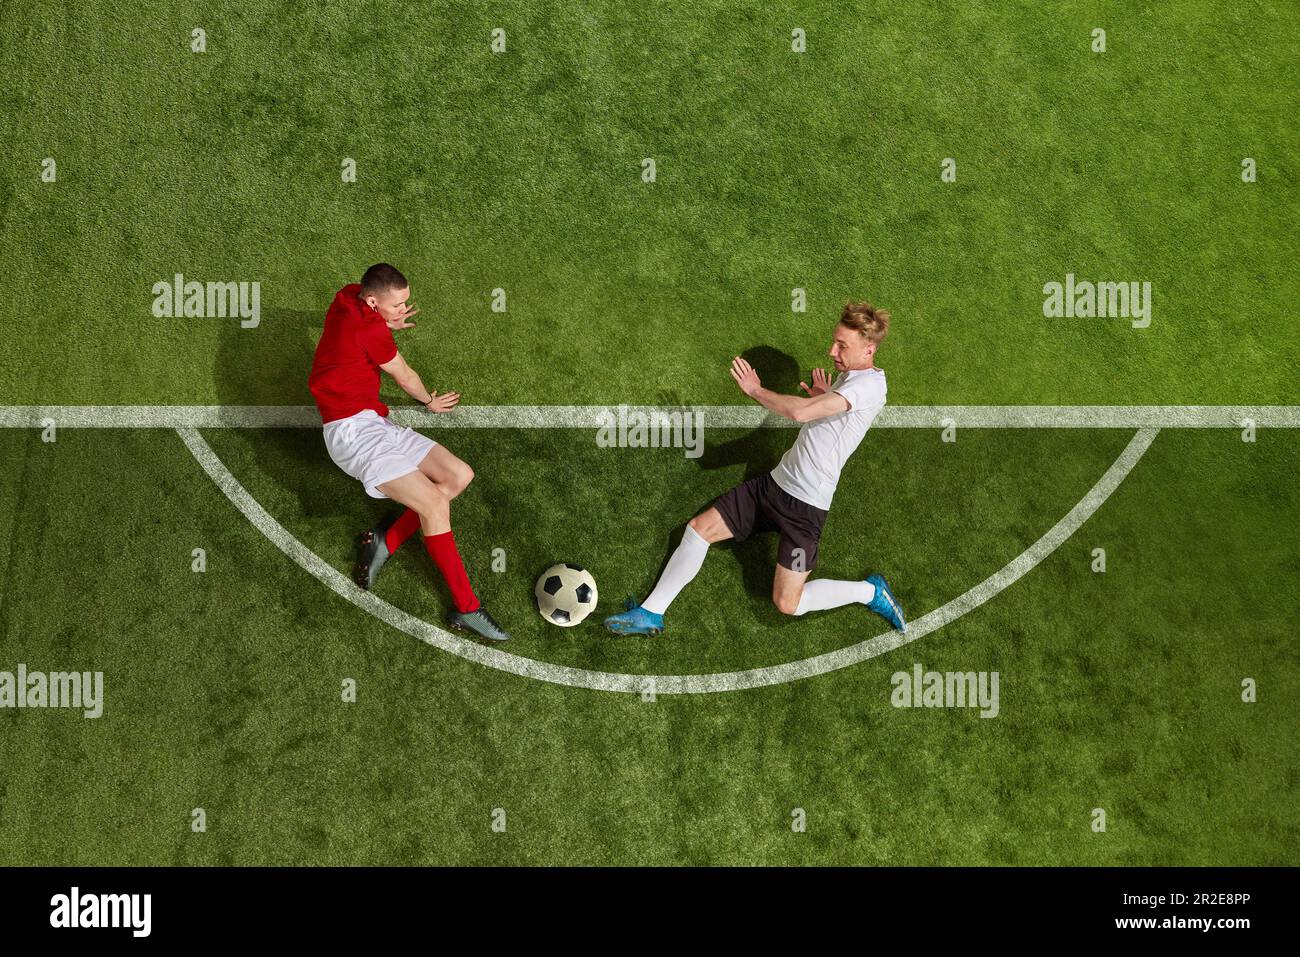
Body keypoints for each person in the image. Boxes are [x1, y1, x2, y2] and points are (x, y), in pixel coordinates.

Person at [604, 301, 906, 636]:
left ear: (869, 348)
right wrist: (825, 396)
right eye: (834, 340)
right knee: (699, 528)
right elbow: (829, 417)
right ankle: (651, 613)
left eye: (841, 345)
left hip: (805, 509)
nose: (831, 350)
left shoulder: (869, 386)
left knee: (786, 603)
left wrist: (757, 390)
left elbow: (800, 414)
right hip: (772, 487)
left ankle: (870, 591)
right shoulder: (851, 377)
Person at [308, 263, 509, 642]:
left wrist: (386, 323)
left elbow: (365, 324)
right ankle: (467, 608)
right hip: (352, 435)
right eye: (397, 305)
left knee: (458, 475)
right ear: (371, 301)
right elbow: (404, 376)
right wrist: (429, 401)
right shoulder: (369, 326)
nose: (404, 309)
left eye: (405, 302)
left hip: (372, 421)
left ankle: (387, 541)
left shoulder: (348, 296)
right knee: (435, 505)